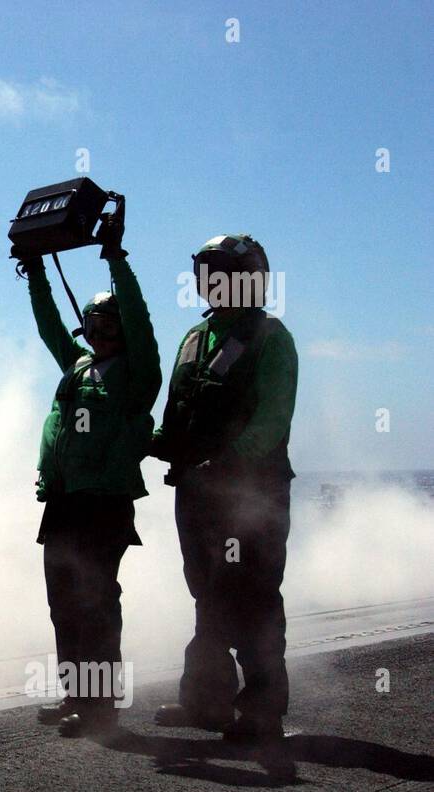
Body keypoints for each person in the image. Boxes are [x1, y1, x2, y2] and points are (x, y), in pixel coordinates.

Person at [18, 207, 161, 737]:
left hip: (103, 502)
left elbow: (144, 327)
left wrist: (116, 258)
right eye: (93, 323)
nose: (97, 331)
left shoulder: (139, 374)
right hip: (63, 502)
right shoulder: (77, 364)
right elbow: (49, 326)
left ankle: (100, 708)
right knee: (63, 603)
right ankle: (77, 694)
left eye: (108, 323)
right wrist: (34, 272)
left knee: (96, 602)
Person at [151, 234, 297, 744]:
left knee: (253, 597)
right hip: (196, 495)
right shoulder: (193, 338)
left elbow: (273, 417)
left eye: (219, 273)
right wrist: (144, 443)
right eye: (204, 273)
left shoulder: (271, 338)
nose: (208, 283)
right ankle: (207, 702)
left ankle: (261, 713)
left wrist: (229, 462)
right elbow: (175, 418)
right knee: (207, 593)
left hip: (251, 495)